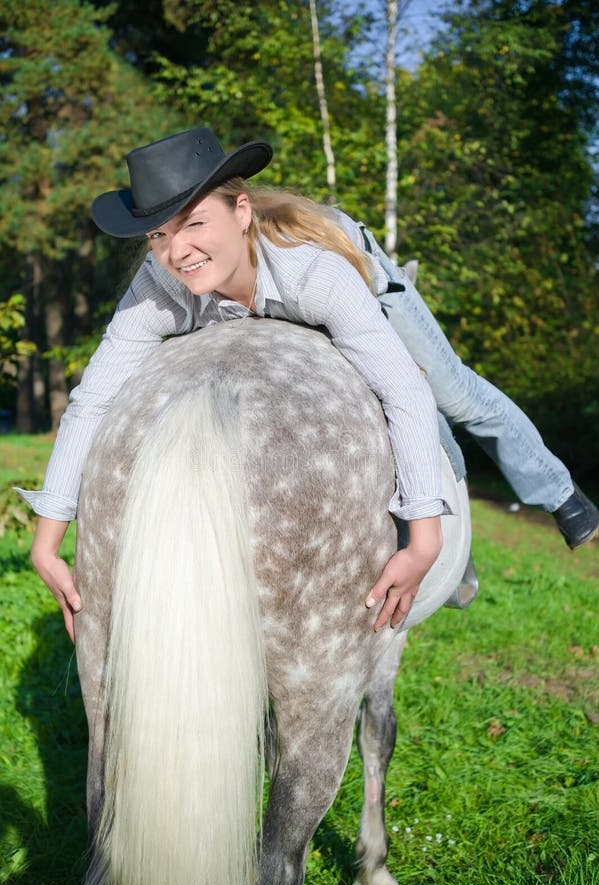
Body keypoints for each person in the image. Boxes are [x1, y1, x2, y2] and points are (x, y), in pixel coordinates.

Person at [16, 126, 598, 641]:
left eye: (194, 224)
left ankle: (554, 493)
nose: (177, 252)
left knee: (446, 393)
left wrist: (422, 541)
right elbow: (92, 402)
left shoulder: (315, 271)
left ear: (241, 210)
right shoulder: (159, 284)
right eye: (158, 236)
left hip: (359, 275)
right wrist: (48, 538)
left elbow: (403, 392)